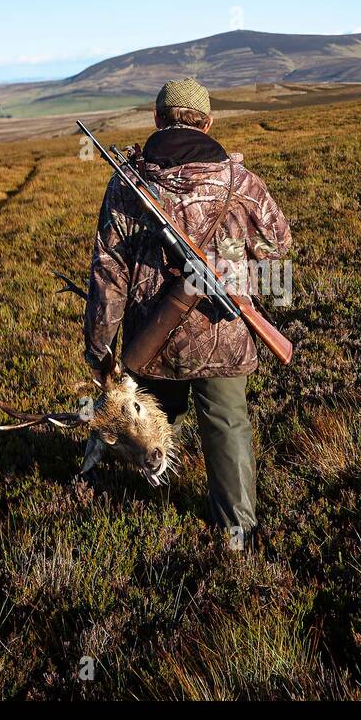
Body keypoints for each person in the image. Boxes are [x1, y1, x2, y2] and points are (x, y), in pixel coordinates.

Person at [83, 78, 291, 547]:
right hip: (225, 337)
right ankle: (237, 533)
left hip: (149, 341)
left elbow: (108, 273)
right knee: (227, 425)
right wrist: (235, 259)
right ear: (208, 123)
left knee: (149, 419)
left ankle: (129, 514)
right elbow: (277, 246)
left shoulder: (127, 183)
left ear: (158, 120)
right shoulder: (242, 182)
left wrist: (100, 348)